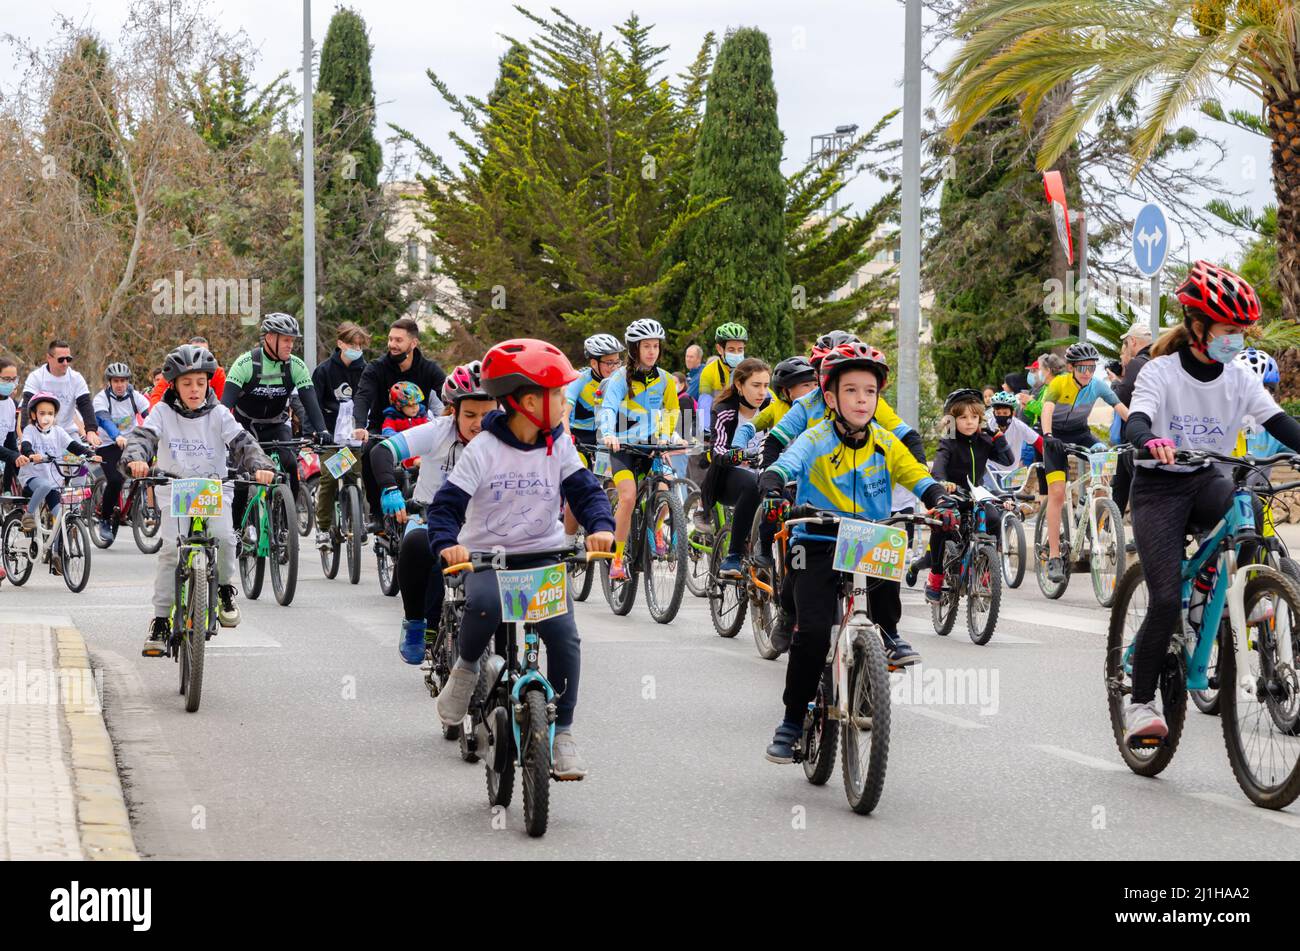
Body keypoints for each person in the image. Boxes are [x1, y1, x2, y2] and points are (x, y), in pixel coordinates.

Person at [1120, 261, 1300, 742]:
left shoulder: (1239, 376)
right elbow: (1137, 420)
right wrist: (1148, 441)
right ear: (1197, 326)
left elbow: (1279, 422)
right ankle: (1139, 704)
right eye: (1227, 329)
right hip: (1159, 488)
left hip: (1205, 480)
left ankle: (1240, 596)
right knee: (1161, 599)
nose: (1235, 339)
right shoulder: (1161, 372)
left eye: (1241, 331)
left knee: (1245, 509)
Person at [427, 339, 615, 779]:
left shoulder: (560, 445)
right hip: (487, 559)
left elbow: (585, 492)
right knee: (486, 604)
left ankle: (563, 732)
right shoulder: (484, 449)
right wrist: (446, 543)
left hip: (542, 557)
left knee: (564, 638)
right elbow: (445, 507)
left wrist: (601, 527)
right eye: (559, 395)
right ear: (530, 402)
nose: (566, 402)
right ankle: (466, 669)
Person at [759, 343, 948, 763]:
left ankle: (885, 641)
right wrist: (772, 483)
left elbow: (916, 475)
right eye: (851, 391)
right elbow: (787, 462)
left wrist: (939, 497)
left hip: (867, 538)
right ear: (830, 397)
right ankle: (792, 721)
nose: (862, 400)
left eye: (870, 391)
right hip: (819, 537)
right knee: (810, 633)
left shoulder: (885, 441)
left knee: (886, 587)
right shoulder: (815, 437)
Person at [124, 345, 274, 657]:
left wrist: (260, 465)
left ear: (209, 384)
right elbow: (142, 437)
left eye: (201, 383)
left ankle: (222, 589)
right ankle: (161, 621)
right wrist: (136, 458)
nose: (195, 390)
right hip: (175, 491)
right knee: (169, 551)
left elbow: (243, 443)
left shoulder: (219, 414)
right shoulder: (162, 412)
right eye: (187, 383)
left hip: (212, 489)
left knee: (223, 537)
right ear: (174, 385)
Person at [370, 362, 497, 664]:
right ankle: (414, 623)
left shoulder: (504, 437)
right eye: (470, 415)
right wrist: (390, 488)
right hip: (429, 516)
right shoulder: (437, 432)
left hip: (482, 524)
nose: (479, 423)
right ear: (453, 411)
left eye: (487, 414)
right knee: (414, 545)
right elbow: (382, 451)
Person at [221, 313, 331, 525]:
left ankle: (286, 516)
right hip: (246, 426)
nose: (291, 345)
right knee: (243, 478)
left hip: (277, 423)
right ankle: (236, 529)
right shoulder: (245, 364)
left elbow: (310, 403)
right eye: (286, 340)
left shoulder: (296, 366)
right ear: (270, 338)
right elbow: (225, 407)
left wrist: (322, 431)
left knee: (289, 463)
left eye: (293, 340)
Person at [761, 330, 926, 468]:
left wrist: (923, 472)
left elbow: (908, 436)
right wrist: (770, 482)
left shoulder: (872, 403)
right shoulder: (807, 404)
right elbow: (774, 441)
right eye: (827, 372)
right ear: (816, 374)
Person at [907, 388, 1013, 602]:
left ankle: (984, 568)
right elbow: (938, 466)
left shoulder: (985, 440)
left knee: (994, 519)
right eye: (963, 417)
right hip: (953, 496)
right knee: (942, 526)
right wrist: (943, 483)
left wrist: (997, 435)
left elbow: (1007, 460)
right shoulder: (949, 442)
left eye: (974, 417)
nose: (969, 422)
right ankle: (935, 576)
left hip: (976, 495)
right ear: (952, 420)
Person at [1039, 341, 1130, 583]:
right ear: (1071, 368)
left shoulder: (1098, 386)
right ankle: (1055, 557)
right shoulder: (1059, 384)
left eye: (1091, 367)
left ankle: (1087, 508)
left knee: (1103, 457)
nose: (1087, 373)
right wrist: (1047, 435)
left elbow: (1121, 409)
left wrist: (1143, 433)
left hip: (1080, 433)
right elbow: (1046, 410)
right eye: (1082, 368)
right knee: (1057, 493)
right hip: (1055, 438)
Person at [598, 318, 681, 581]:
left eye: (655, 346)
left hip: (651, 446)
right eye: (646, 346)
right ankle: (618, 558)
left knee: (668, 483)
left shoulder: (666, 380)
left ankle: (657, 528)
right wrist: (609, 434)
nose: (651, 352)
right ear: (634, 349)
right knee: (628, 497)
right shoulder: (620, 378)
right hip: (622, 447)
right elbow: (609, 408)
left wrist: (667, 437)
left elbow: (672, 410)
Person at [350, 317, 447, 530]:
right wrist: (359, 425)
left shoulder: (428, 369)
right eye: (390, 339)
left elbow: (448, 392)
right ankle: (376, 512)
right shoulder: (376, 367)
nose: (392, 344)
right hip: (383, 428)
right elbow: (363, 396)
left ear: (413, 344)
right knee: (369, 453)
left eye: (398, 340)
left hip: (418, 427)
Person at [701, 358, 772, 578]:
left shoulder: (771, 407)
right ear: (740, 385)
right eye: (756, 385)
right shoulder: (725, 410)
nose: (762, 392)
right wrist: (739, 455)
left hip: (765, 472)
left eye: (766, 386)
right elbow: (718, 451)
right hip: (727, 477)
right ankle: (732, 556)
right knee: (752, 486)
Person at [18, 393, 99, 576]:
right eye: (42, 413)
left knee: (63, 515)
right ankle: (28, 514)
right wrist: (32, 454)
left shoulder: (59, 431)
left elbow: (73, 446)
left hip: (54, 482)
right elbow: (26, 446)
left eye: (50, 413)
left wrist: (89, 454)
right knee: (45, 485)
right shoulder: (30, 431)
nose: (46, 416)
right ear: (33, 415)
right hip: (32, 479)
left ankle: (56, 555)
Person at [310, 322, 368, 550]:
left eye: (360, 346)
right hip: (330, 437)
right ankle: (323, 528)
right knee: (330, 478)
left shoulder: (365, 370)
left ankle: (358, 521)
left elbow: (371, 398)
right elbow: (312, 403)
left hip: (356, 435)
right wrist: (314, 431)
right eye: (352, 345)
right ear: (340, 344)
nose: (357, 349)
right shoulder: (324, 371)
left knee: (357, 477)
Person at [92, 363, 151, 544]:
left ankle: (139, 506)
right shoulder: (101, 398)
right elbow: (104, 419)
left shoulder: (135, 396)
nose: (120, 385)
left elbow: (150, 415)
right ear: (110, 382)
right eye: (116, 381)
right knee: (116, 480)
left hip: (131, 443)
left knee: (151, 469)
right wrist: (116, 435)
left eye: (123, 381)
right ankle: (104, 519)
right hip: (108, 444)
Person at [21, 340, 99, 445]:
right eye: (61, 360)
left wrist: (91, 430)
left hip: (68, 433)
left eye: (68, 359)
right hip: (41, 433)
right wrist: (26, 434)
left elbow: (85, 404)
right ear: (49, 358)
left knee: (85, 458)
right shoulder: (36, 377)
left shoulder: (76, 378)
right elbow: (27, 406)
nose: (65, 363)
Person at [565, 334, 624, 462]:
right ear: (593, 363)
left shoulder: (620, 381)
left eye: (617, 362)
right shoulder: (580, 380)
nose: (615, 367)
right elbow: (563, 414)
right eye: (609, 363)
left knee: (612, 478)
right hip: (580, 436)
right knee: (579, 471)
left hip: (608, 436)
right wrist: (566, 439)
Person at [696, 323, 748, 430]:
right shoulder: (709, 371)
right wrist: (706, 428)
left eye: (740, 349)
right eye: (731, 350)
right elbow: (704, 402)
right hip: (719, 424)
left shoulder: (751, 369)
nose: (737, 354)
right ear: (720, 349)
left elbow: (766, 396)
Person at [148, 336, 226, 406]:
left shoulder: (217, 372)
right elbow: (157, 395)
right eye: (186, 383)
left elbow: (223, 401)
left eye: (201, 383)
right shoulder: (176, 369)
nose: (200, 357)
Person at [984, 390, 1039, 490]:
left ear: (1012, 413)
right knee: (992, 494)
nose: (1001, 415)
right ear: (993, 413)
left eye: (1005, 413)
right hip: (991, 467)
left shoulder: (1019, 426)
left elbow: (1038, 441)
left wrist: (1051, 458)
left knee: (1012, 500)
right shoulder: (988, 424)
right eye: (998, 413)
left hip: (1012, 469)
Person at [381, 382, 431, 447]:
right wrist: (403, 437)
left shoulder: (421, 415)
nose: (414, 407)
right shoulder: (392, 417)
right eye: (410, 405)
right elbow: (387, 431)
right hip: (403, 448)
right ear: (398, 406)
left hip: (420, 448)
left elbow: (429, 429)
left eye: (416, 403)